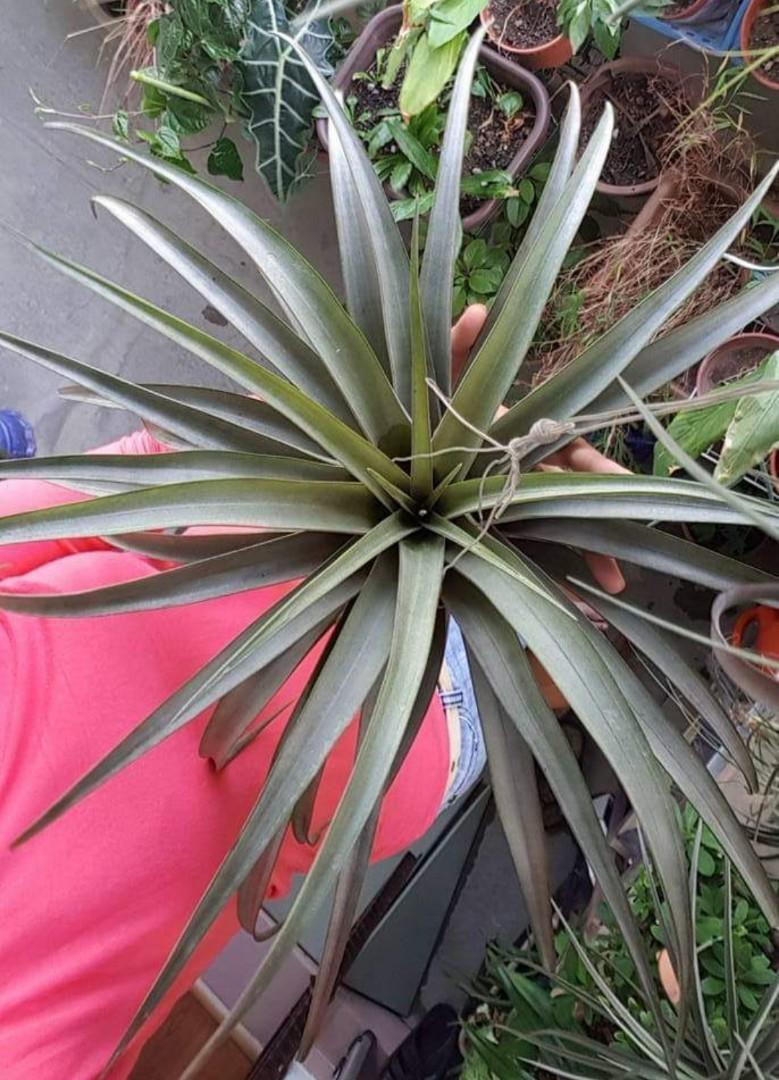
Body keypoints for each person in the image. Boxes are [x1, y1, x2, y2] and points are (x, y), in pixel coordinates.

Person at [0, 307, 626, 1080]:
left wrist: (343, 420)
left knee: (557, 616)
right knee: (563, 632)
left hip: (354, 658)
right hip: (398, 734)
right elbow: (93, 499)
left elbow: (106, 494)